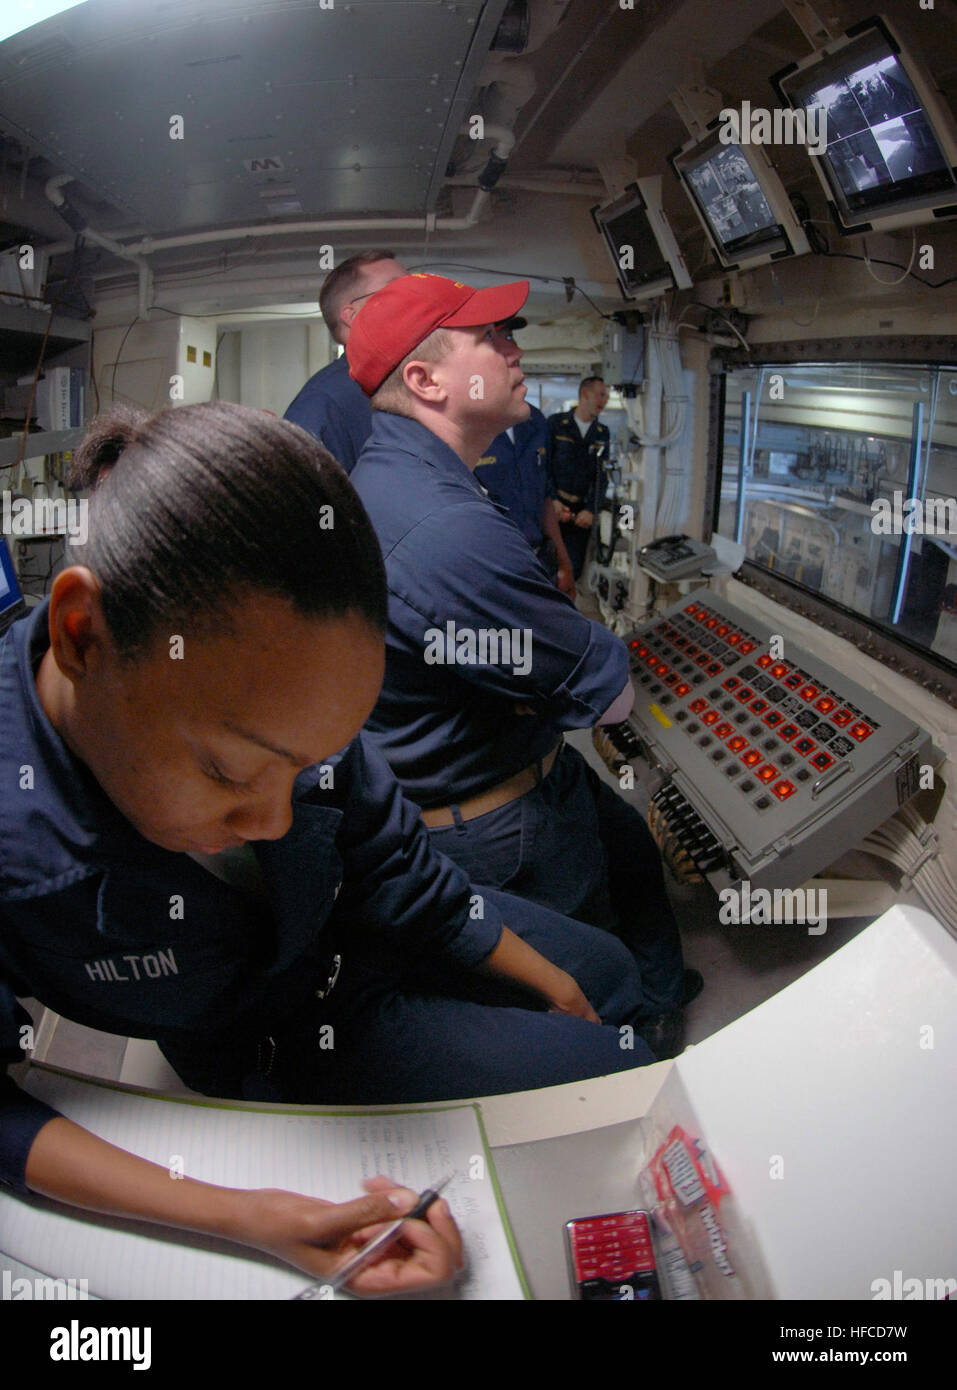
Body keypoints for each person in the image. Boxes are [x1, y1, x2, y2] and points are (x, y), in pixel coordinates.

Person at [0, 401, 666, 1296]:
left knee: (612, 979)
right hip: (277, 1028)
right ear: (84, 636)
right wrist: (255, 1217)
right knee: (611, 1078)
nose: (274, 821)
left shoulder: (276, 686)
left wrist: (545, 977)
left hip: (364, 928)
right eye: (230, 771)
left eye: (304, 766)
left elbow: (389, 856)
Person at [347, 274, 701, 1058]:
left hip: (517, 764)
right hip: (498, 822)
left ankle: (661, 993)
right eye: (492, 337)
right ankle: (637, 1051)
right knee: (591, 966)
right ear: (425, 379)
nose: (516, 348)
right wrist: (573, 652)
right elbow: (608, 694)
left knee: (634, 855)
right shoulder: (442, 528)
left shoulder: (401, 474)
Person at [283, 249, 406, 472]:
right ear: (352, 316)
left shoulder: (406, 381)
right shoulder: (321, 404)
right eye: (398, 290)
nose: (417, 299)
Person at [475, 382, 576, 597]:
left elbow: (544, 497)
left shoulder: (535, 420)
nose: (517, 369)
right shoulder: (468, 422)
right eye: (507, 361)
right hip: (491, 567)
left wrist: (564, 562)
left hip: (538, 561)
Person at [547, 377, 611, 580]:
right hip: (553, 509)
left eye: (607, 396)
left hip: (580, 516)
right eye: (601, 394)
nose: (605, 400)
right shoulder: (556, 424)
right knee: (545, 567)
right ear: (585, 394)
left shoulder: (602, 433)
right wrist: (551, 499)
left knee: (571, 572)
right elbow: (542, 466)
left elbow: (602, 477)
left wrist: (591, 510)